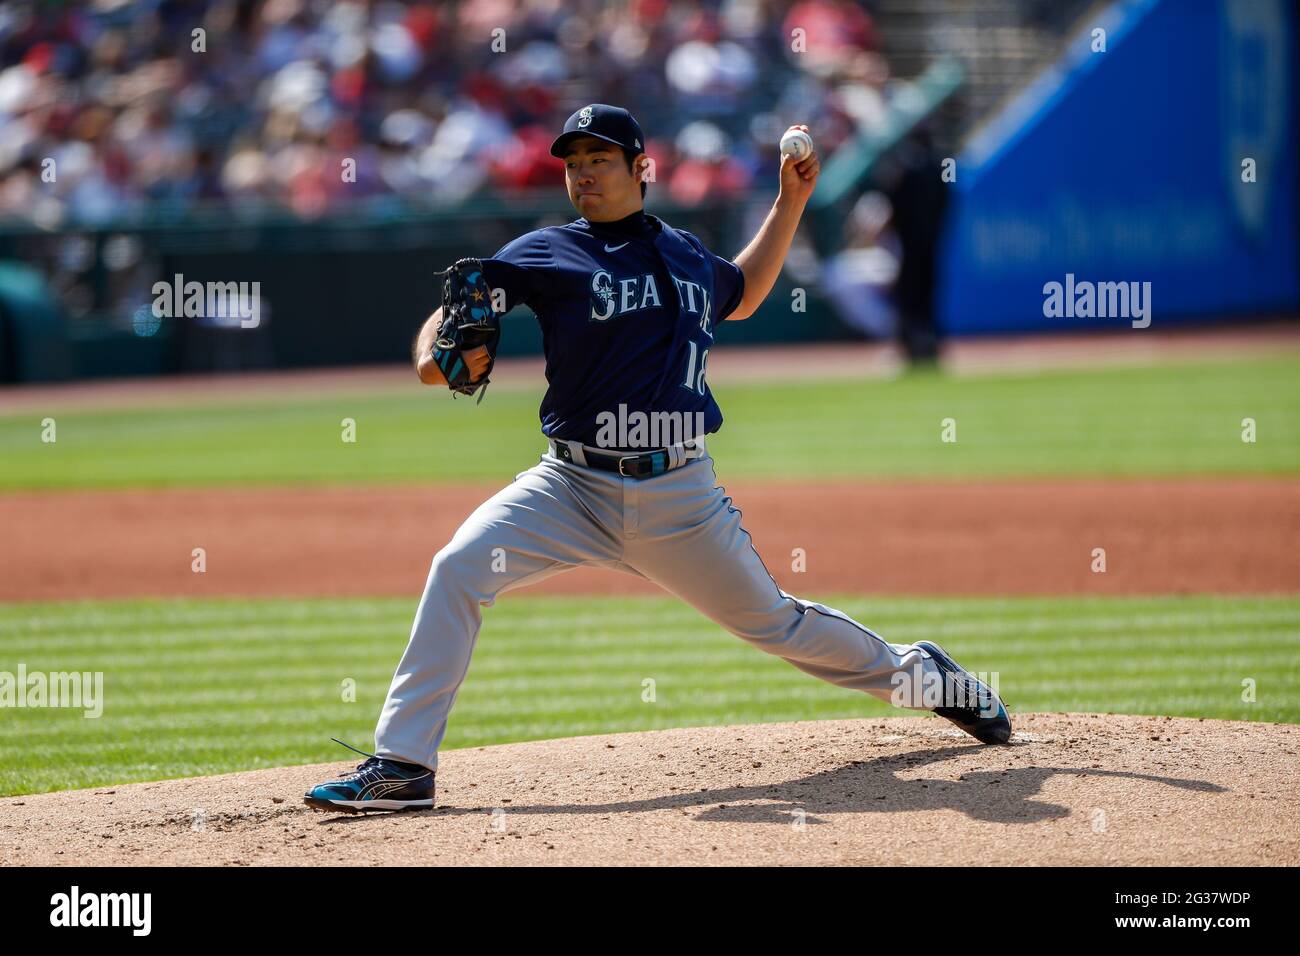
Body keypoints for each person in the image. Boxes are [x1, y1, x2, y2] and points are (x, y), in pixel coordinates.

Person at [303, 104, 1010, 814]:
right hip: (568, 485)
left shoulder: (683, 251)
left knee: (779, 625)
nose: (583, 174)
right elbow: (458, 306)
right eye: (574, 163)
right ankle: (403, 765)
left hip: (678, 494)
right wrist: (434, 352)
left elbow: (742, 293)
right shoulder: (547, 251)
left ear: (642, 168)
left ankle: (927, 679)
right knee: (458, 568)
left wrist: (790, 201)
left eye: (599, 160)